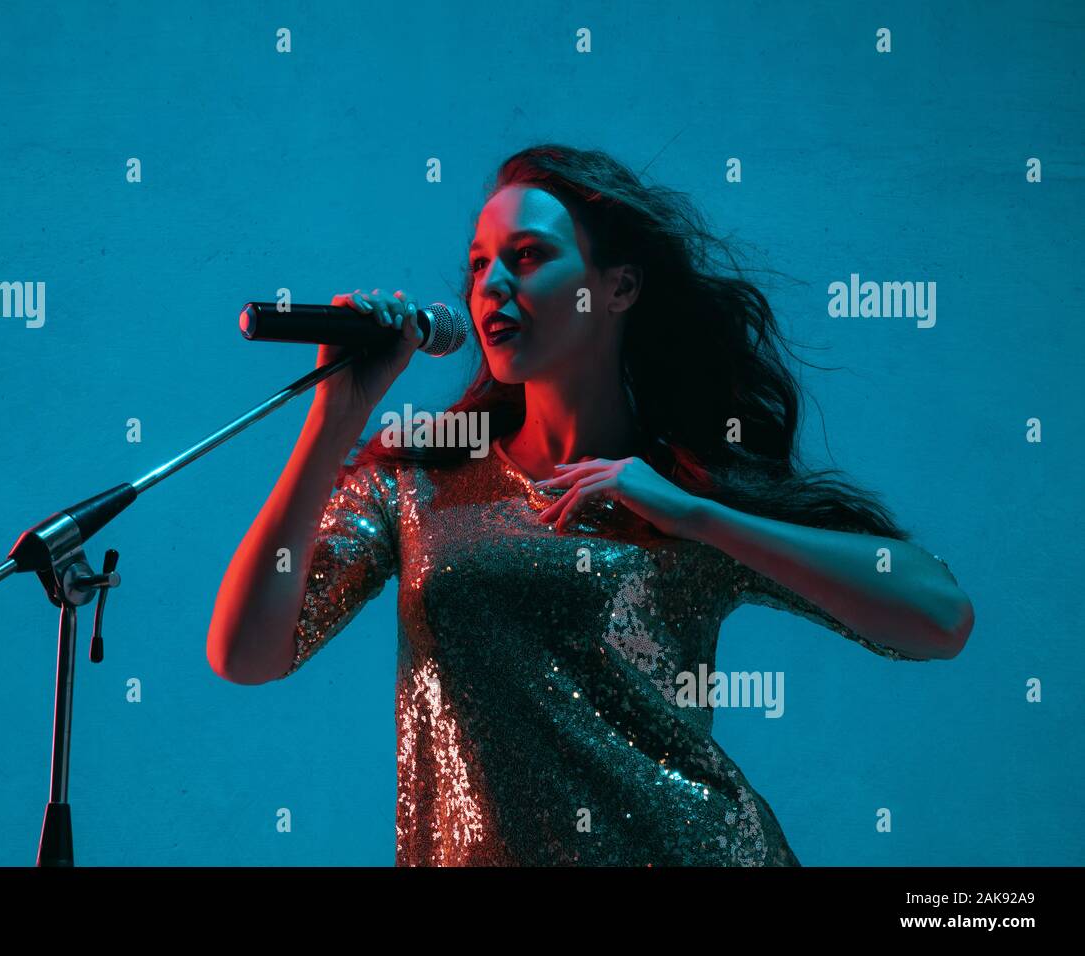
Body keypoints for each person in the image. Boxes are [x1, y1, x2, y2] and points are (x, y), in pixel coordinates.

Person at [207, 143, 975, 866]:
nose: (491, 287)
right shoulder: (419, 483)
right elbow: (245, 655)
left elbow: (940, 617)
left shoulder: (685, 487)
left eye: (529, 257)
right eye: (478, 268)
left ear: (619, 286)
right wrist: (333, 419)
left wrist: (693, 516)